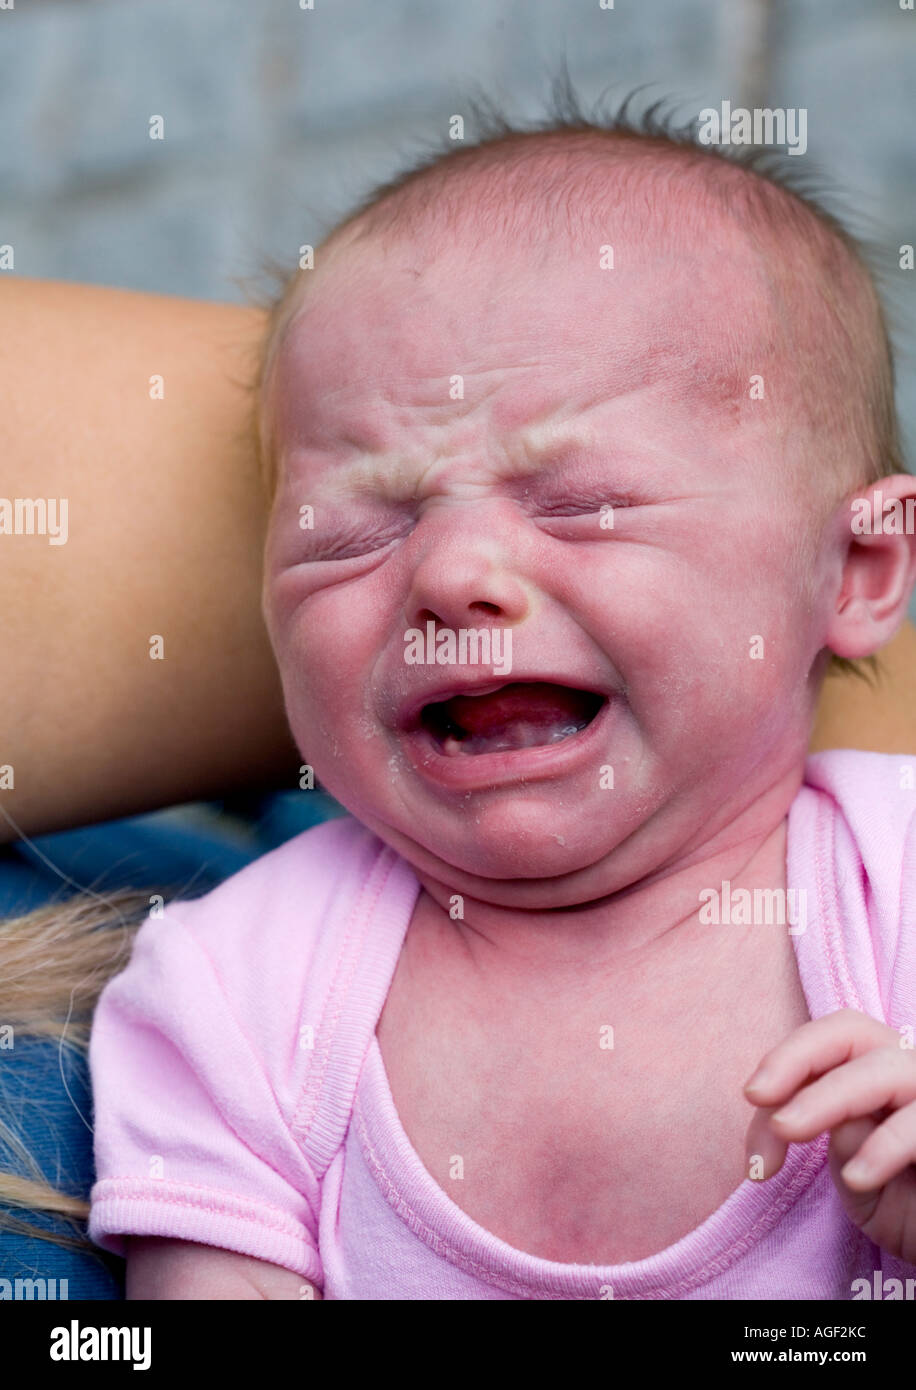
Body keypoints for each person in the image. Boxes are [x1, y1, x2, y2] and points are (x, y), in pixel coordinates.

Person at [5, 93, 916, 1299]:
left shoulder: (893, 886)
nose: (450, 574)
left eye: (582, 502)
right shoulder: (230, 992)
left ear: (856, 573)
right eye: (350, 535)